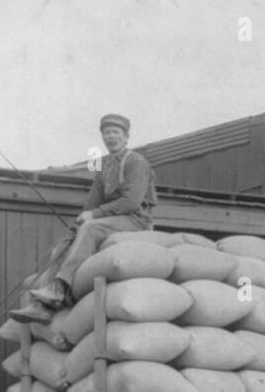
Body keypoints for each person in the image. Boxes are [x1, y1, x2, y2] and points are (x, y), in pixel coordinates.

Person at [10, 113, 157, 324]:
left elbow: (130, 203)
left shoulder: (137, 162)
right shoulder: (103, 167)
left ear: (126, 137)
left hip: (136, 220)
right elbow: (90, 204)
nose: (110, 137)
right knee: (62, 246)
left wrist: (92, 217)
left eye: (116, 132)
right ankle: (42, 306)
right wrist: (75, 226)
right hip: (110, 219)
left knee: (91, 228)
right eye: (106, 133)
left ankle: (60, 286)